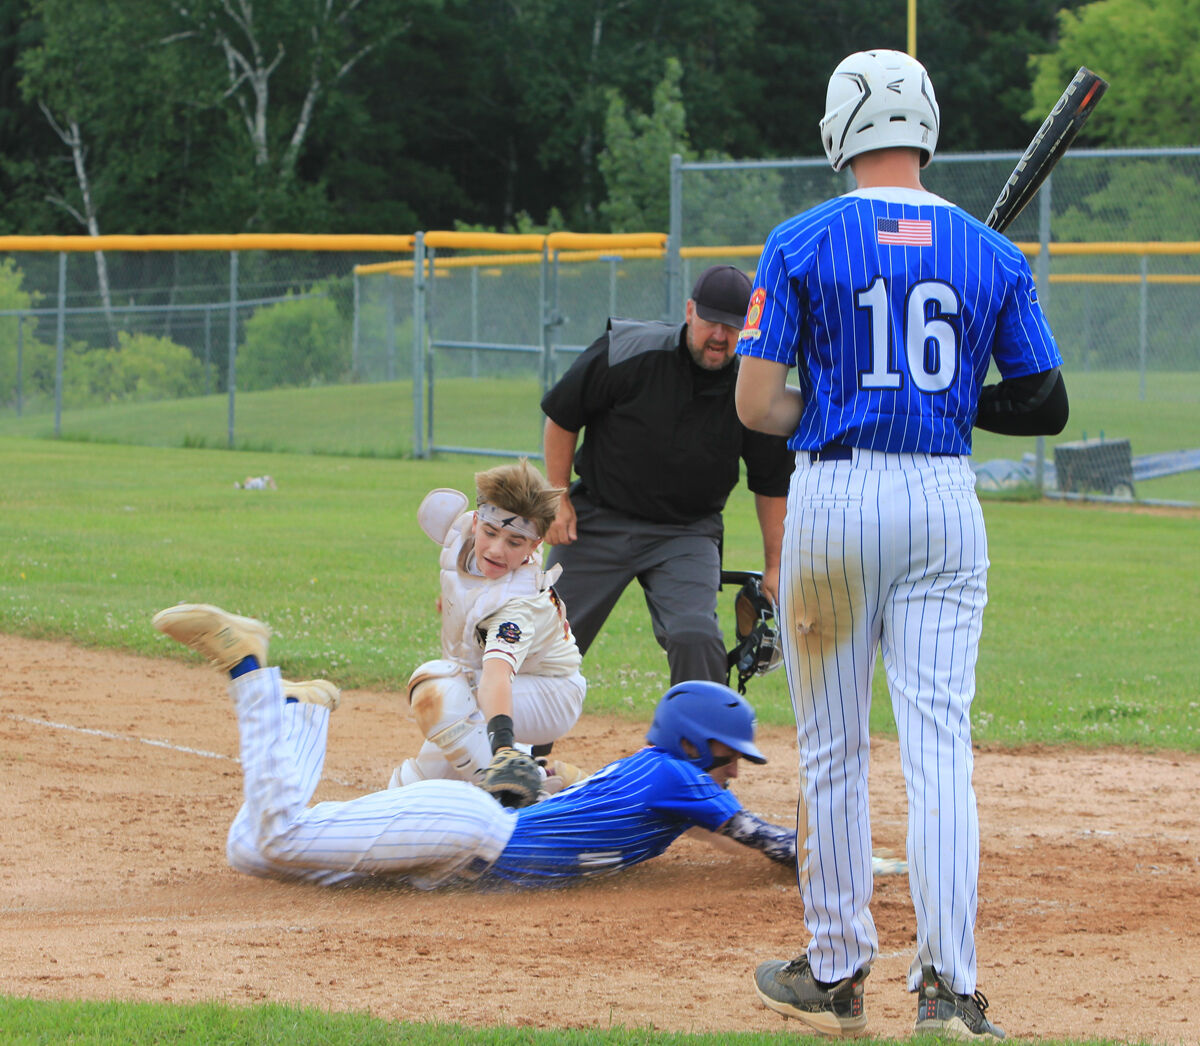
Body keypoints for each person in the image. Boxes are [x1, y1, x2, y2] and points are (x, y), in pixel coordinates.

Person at [734, 49, 1068, 1041]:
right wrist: (950, 397)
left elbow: (755, 404)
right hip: (943, 497)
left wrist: (831, 403)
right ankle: (950, 991)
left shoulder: (800, 239)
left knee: (834, 751)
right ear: (926, 128)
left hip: (834, 494)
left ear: (839, 131)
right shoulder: (989, 251)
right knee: (939, 752)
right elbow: (1043, 401)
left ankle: (837, 972)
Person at [150, 602, 797, 889]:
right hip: (466, 832)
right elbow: (771, 843)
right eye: (728, 753)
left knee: (251, 851)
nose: (735, 769)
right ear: (693, 745)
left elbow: (714, 830)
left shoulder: (662, 780)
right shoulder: (680, 779)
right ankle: (250, 670)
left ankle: (299, 716)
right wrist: (835, 855)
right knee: (278, 838)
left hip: (453, 855)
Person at [541, 264, 794, 686]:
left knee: (696, 636)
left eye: (732, 327)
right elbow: (562, 415)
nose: (720, 336)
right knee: (547, 635)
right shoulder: (628, 350)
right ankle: (511, 729)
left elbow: (770, 482)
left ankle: (704, 732)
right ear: (690, 311)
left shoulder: (749, 386)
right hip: (598, 520)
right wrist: (556, 497)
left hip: (686, 533)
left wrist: (775, 566)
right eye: (711, 321)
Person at [388, 458, 588, 807]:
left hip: (550, 693)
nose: (497, 549)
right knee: (410, 790)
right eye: (491, 533)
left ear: (534, 546)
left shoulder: (517, 606)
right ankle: (550, 780)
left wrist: (503, 749)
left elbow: (496, 676)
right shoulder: (462, 539)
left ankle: (522, 792)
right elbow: (468, 589)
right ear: (476, 522)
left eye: (515, 542)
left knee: (439, 689)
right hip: (509, 685)